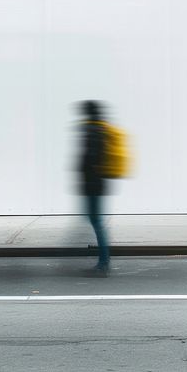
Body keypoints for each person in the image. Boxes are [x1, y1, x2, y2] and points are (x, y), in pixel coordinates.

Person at [78, 100, 110, 276]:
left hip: (93, 185)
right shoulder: (100, 129)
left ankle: (104, 263)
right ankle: (103, 261)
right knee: (96, 222)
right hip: (98, 184)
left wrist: (83, 176)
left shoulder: (92, 131)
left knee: (96, 223)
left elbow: (89, 159)